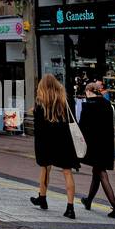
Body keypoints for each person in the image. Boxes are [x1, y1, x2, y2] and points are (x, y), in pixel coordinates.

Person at [30, 73, 80, 218]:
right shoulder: (65, 100)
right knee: (67, 172)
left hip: (46, 140)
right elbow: (73, 119)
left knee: (45, 168)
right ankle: (70, 208)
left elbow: (38, 127)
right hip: (64, 140)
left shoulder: (40, 102)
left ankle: (43, 198)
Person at [78, 81, 115, 219]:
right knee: (96, 172)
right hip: (106, 144)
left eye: (86, 92)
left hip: (95, 145)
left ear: (89, 91)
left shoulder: (88, 106)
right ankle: (88, 200)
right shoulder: (108, 105)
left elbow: (82, 127)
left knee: (101, 173)